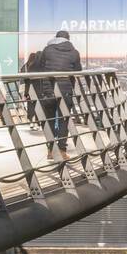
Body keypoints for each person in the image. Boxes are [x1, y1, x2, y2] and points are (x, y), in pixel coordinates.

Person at [34, 30, 83, 160]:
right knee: (63, 120)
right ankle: (61, 150)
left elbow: (39, 67)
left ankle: (50, 150)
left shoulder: (47, 50)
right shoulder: (74, 52)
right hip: (65, 88)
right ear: (68, 39)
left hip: (48, 88)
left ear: (55, 38)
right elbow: (78, 70)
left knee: (49, 119)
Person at [22, 50, 43, 131]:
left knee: (30, 106)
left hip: (29, 88)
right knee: (38, 105)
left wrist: (25, 93)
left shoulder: (27, 66)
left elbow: (26, 80)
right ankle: (37, 123)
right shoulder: (40, 66)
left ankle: (31, 122)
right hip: (38, 89)